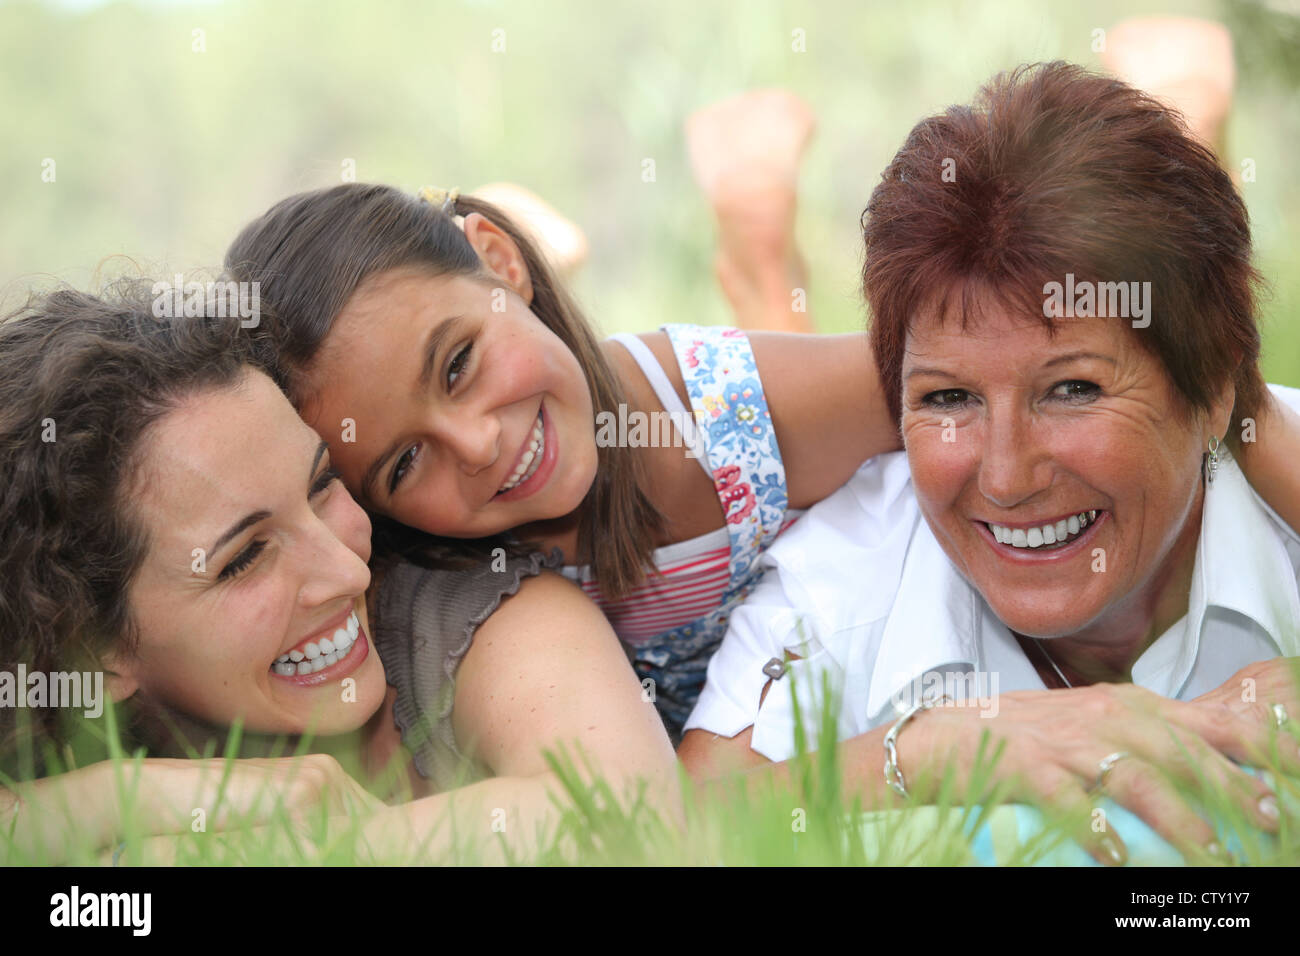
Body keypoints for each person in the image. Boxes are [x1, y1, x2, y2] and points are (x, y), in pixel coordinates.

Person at [678, 61, 1300, 865]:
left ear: (1214, 391)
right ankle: (762, 265)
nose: (1006, 478)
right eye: (947, 400)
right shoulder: (843, 583)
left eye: (1073, 389)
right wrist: (946, 748)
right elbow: (661, 832)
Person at [0, 282, 677, 864]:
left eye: (323, 484)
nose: (344, 570)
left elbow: (633, 817)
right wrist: (101, 801)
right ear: (95, 643)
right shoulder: (69, 747)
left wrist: (314, 839)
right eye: (244, 558)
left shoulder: (474, 616)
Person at [223, 182, 900, 738]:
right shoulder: (435, 584)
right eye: (403, 464)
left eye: (458, 364)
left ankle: (761, 244)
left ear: (500, 261)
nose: (476, 445)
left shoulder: (723, 411)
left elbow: (956, 394)